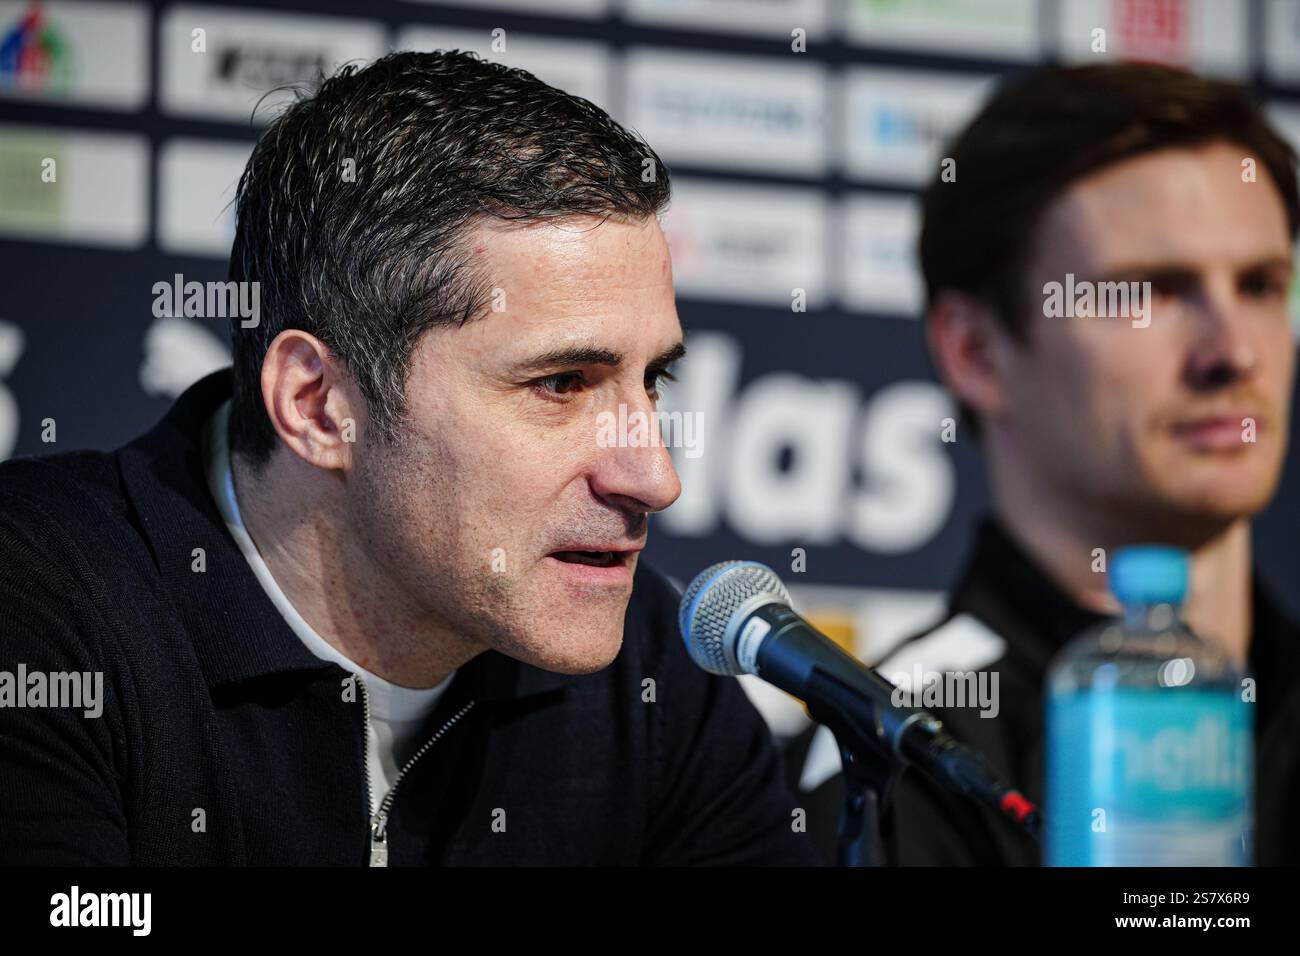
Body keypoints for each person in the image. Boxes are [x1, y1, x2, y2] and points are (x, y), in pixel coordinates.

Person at [0, 50, 820, 866]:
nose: (656, 478)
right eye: (562, 383)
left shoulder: (646, 675)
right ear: (319, 407)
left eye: (654, 379)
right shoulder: (39, 610)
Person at [786, 62, 1300, 865]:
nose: (1233, 352)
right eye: (1150, 292)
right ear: (976, 350)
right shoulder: (884, 755)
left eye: (1263, 285)